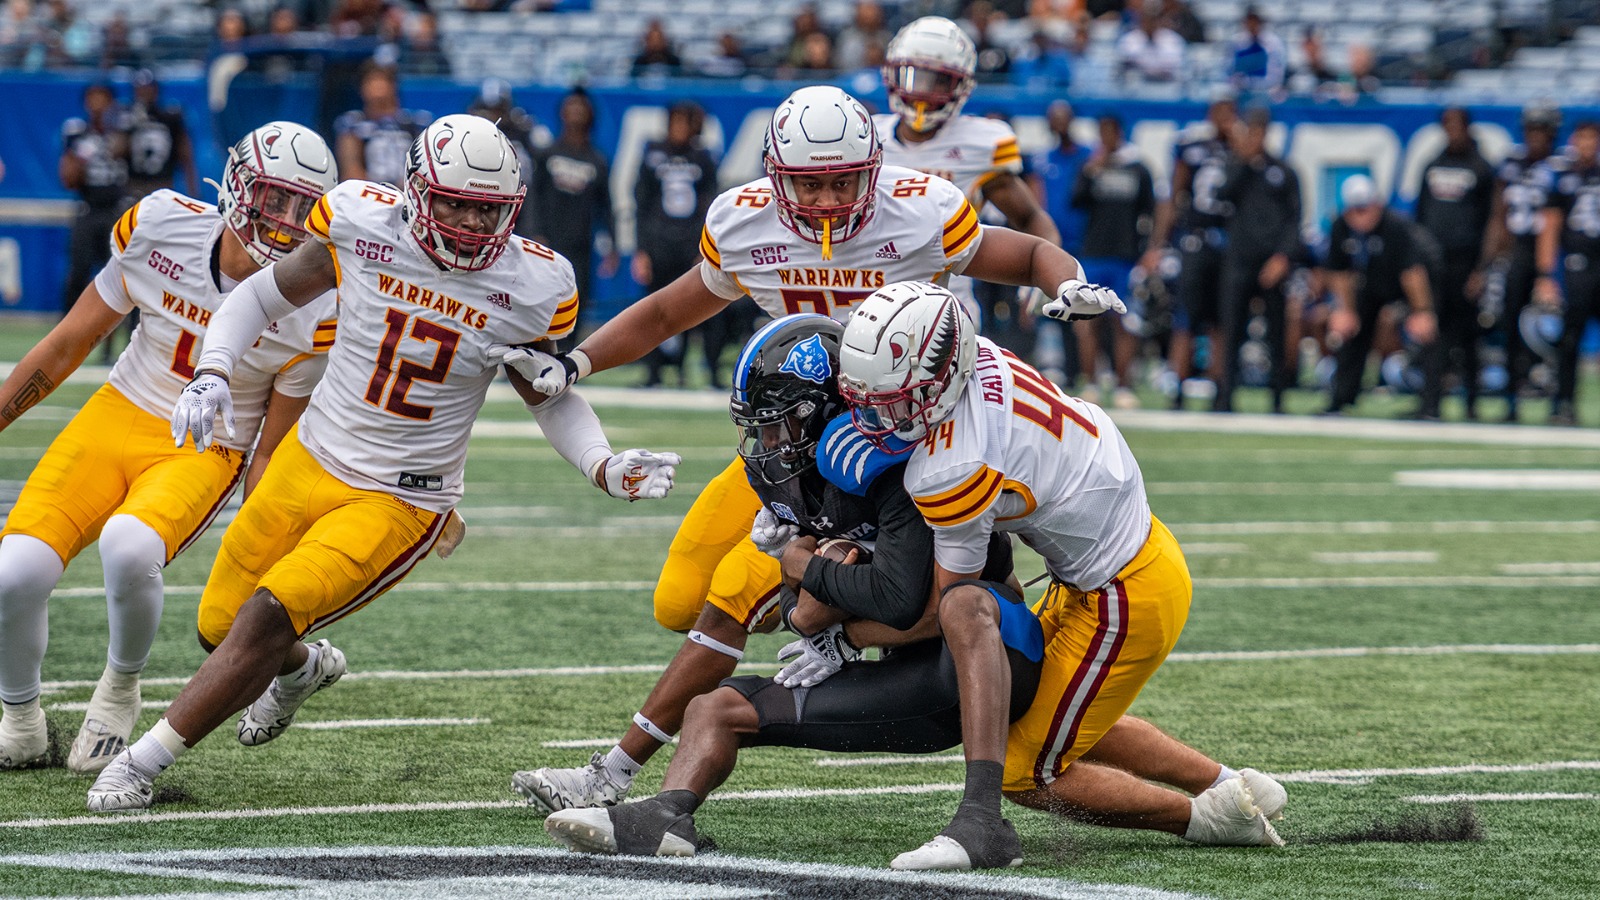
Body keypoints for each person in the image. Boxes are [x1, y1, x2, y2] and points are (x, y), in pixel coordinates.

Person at [503, 85, 1124, 812]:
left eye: (842, 181)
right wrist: (576, 364)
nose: (828, 200)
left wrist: (1069, 283)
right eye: (809, 183)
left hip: (889, 449)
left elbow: (1028, 254)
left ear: (874, 170)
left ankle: (613, 770)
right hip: (788, 443)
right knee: (682, 597)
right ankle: (865, 624)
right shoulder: (744, 226)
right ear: (773, 175)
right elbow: (670, 308)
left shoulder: (920, 211)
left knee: (735, 598)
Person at [84, 115, 681, 811]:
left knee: (266, 619)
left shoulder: (535, 283)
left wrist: (600, 464)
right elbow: (260, 295)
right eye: (453, 201)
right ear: (413, 192)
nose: (465, 222)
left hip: (401, 498)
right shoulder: (360, 223)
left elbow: (544, 389)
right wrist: (214, 370)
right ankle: (301, 673)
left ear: (511, 209)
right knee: (218, 628)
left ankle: (140, 764)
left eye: (484, 209)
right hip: (308, 460)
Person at [542, 313, 1042, 863]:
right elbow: (798, 614)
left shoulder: (910, 468)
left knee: (971, 613)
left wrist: (807, 571)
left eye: (781, 425)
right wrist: (807, 585)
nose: (769, 442)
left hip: (988, 663)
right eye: (760, 427)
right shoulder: (814, 477)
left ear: (829, 411)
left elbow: (903, 601)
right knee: (714, 707)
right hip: (908, 680)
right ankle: (665, 818)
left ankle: (980, 821)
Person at [837, 281, 1287, 866]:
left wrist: (844, 635)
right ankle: (1230, 781)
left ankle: (1206, 821)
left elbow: (950, 612)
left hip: (1122, 594)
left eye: (895, 399)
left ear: (942, 375)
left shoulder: (952, 464)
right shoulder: (982, 357)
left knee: (1022, 770)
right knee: (1038, 710)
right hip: (1113, 560)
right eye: (867, 399)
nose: (876, 416)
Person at [0, 122, 338, 775]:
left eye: (304, 207)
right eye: (275, 197)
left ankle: (119, 691)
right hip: (119, 411)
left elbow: (272, 443)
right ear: (238, 185)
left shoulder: (315, 305)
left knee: (129, 547)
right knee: (14, 571)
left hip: (208, 445)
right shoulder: (159, 224)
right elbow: (69, 343)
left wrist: (260, 540)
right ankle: (19, 716)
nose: (287, 220)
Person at [874, 16, 1060, 328]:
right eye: (913, 76)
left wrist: (1046, 272)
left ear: (962, 85)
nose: (922, 91)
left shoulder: (979, 143)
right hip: (869, 291)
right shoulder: (868, 138)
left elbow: (1029, 218)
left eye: (937, 81)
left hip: (948, 303)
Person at [1143, 95, 1237, 409]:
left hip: (1228, 242)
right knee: (1185, 317)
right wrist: (1157, 245)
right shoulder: (1193, 148)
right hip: (1195, 240)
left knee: (1221, 320)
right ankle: (1177, 388)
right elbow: (1173, 196)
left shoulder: (1241, 150)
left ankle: (1219, 390)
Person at [1323, 175, 1438, 415]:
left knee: (1426, 333)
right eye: (1356, 209)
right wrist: (1344, 309)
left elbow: (1413, 273)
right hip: (1372, 283)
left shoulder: (1396, 227)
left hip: (1412, 285)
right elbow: (1339, 271)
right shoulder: (1340, 228)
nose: (1362, 216)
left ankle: (1429, 404)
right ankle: (1342, 398)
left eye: (1366, 208)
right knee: (1352, 330)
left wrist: (1422, 311)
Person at [1213, 106, 1302, 413]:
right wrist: (1243, 162)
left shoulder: (1284, 172)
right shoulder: (1236, 168)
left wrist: (1283, 257)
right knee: (1232, 328)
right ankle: (1225, 396)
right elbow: (1221, 195)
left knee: (1276, 331)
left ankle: (1278, 396)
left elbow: (1294, 220)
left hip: (1273, 263)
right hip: (1239, 260)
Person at [1477, 105, 1563, 423]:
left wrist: (1550, 268)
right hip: (1516, 252)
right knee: (1509, 325)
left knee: (1554, 330)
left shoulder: (1562, 166)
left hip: (1552, 255)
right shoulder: (1511, 164)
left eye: (1541, 131)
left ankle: (1559, 400)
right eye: (1531, 130)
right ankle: (1513, 399)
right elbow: (1499, 214)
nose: (1535, 137)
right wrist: (1492, 257)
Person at [1070, 114, 1156, 409]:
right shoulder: (1091, 166)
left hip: (1125, 256)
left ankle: (1123, 384)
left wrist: (1150, 250)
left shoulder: (1137, 168)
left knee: (1124, 322)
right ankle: (1091, 381)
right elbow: (1076, 201)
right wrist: (1092, 171)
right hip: (1093, 253)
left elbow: (1152, 210)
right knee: (1088, 321)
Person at [1414, 107, 1494, 420]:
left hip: (1466, 262)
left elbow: (1490, 221)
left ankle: (1471, 402)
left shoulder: (1480, 168)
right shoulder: (1433, 164)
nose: (1452, 132)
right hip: (1435, 263)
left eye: (1457, 126)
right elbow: (1421, 217)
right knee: (1432, 332)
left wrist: (1481, 269)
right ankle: (1430, 402)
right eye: (1447, 126)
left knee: (1468, 334)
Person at [635, 102, 721, 388]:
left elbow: (712, 206)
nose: (679, 129)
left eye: (685, 123)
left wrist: (703, 248)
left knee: (693, 309)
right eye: (675, 122)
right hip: (659, 241)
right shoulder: (653, 153)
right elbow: (642, 203)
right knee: (651, 309)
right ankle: (654, 371)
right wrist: (642, 249)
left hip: (689, 242)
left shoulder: (703, 157)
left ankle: (687, 369)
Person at [527, 88, 619, 334]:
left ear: (590, 115)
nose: (576, 112)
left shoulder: (597, 159)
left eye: (581, 107)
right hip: (548, 244)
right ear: (562, 113)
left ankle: (566, 363)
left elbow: (606, 204)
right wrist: (535, 233)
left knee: (576, 304)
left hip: (580, 247)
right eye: (571, 107)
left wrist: (612, 244)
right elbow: (533, 197)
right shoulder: (548, 154)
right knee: (540, 303)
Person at [1537, 120, 1600, 427]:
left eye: (1593, 139)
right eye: (1583, 138)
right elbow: (1550, 225)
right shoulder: (1562, 177)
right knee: (1570, 337)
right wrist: (1546, 274)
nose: (1587, 145)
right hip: (1577, 263)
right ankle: (1563, 402)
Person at [59, 83, 130, 322]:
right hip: (89, 206)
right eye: (93, 98)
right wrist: (82, 156)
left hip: (118, 209)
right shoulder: (77, 132)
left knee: (121, 273)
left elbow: (131, 159)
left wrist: (113, 134)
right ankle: (66, 327)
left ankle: (117, 334)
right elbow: (68, 178)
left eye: (103, 98)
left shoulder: (123, 130)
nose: (98, 104)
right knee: (79, 270)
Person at [334, 63, 430, 187]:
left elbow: (426, 167)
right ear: (362, 88)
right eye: (372, 81)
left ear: (393, 85)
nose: (377, 87)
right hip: (369, 194)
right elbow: (351, 170)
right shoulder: (353, 124)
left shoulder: (415, 122)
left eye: (382, 80)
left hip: (410, 191)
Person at [125, 70, 198, 200]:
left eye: (148, 89)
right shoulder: (126, 117)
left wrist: (192, 190)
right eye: (141, 89)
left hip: (163, 183)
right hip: (133, 184)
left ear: (156, 90)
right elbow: (116, 151)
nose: (144, 93)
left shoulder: (170, 117)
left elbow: (185, 153)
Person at [1227, 7, 1287, 95]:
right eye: (1249, 21)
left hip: (1267, 91)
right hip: (1241, 91)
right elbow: (1229, 69)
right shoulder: (1236, 42)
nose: (1252, 25)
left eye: (1255, 21)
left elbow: (1277, 73)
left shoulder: (1274, 42)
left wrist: (1258, 86)